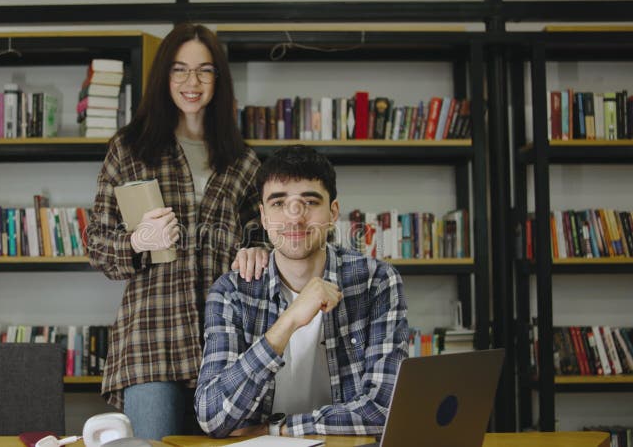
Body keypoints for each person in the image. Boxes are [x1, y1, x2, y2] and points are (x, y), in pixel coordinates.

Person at [85, 23, 268, 440]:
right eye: (180, 70)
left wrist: (257, 246)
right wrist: (136, 242)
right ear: (163, 76)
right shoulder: (130, 148)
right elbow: (96, 242)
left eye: (204, 71)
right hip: (152, 338)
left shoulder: (244, 161)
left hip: (228, 340)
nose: (192, 82)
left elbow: (263, 227)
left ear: (218, 80)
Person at [194, 146, 409, 438]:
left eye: (309, 202)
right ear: (264, 217)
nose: (295, 218)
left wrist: (276, 429)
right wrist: (288, 322)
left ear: (333, 212)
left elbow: (387, 409)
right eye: (279, 203)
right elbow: (212, 416)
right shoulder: (231, 291)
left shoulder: (377, 281)